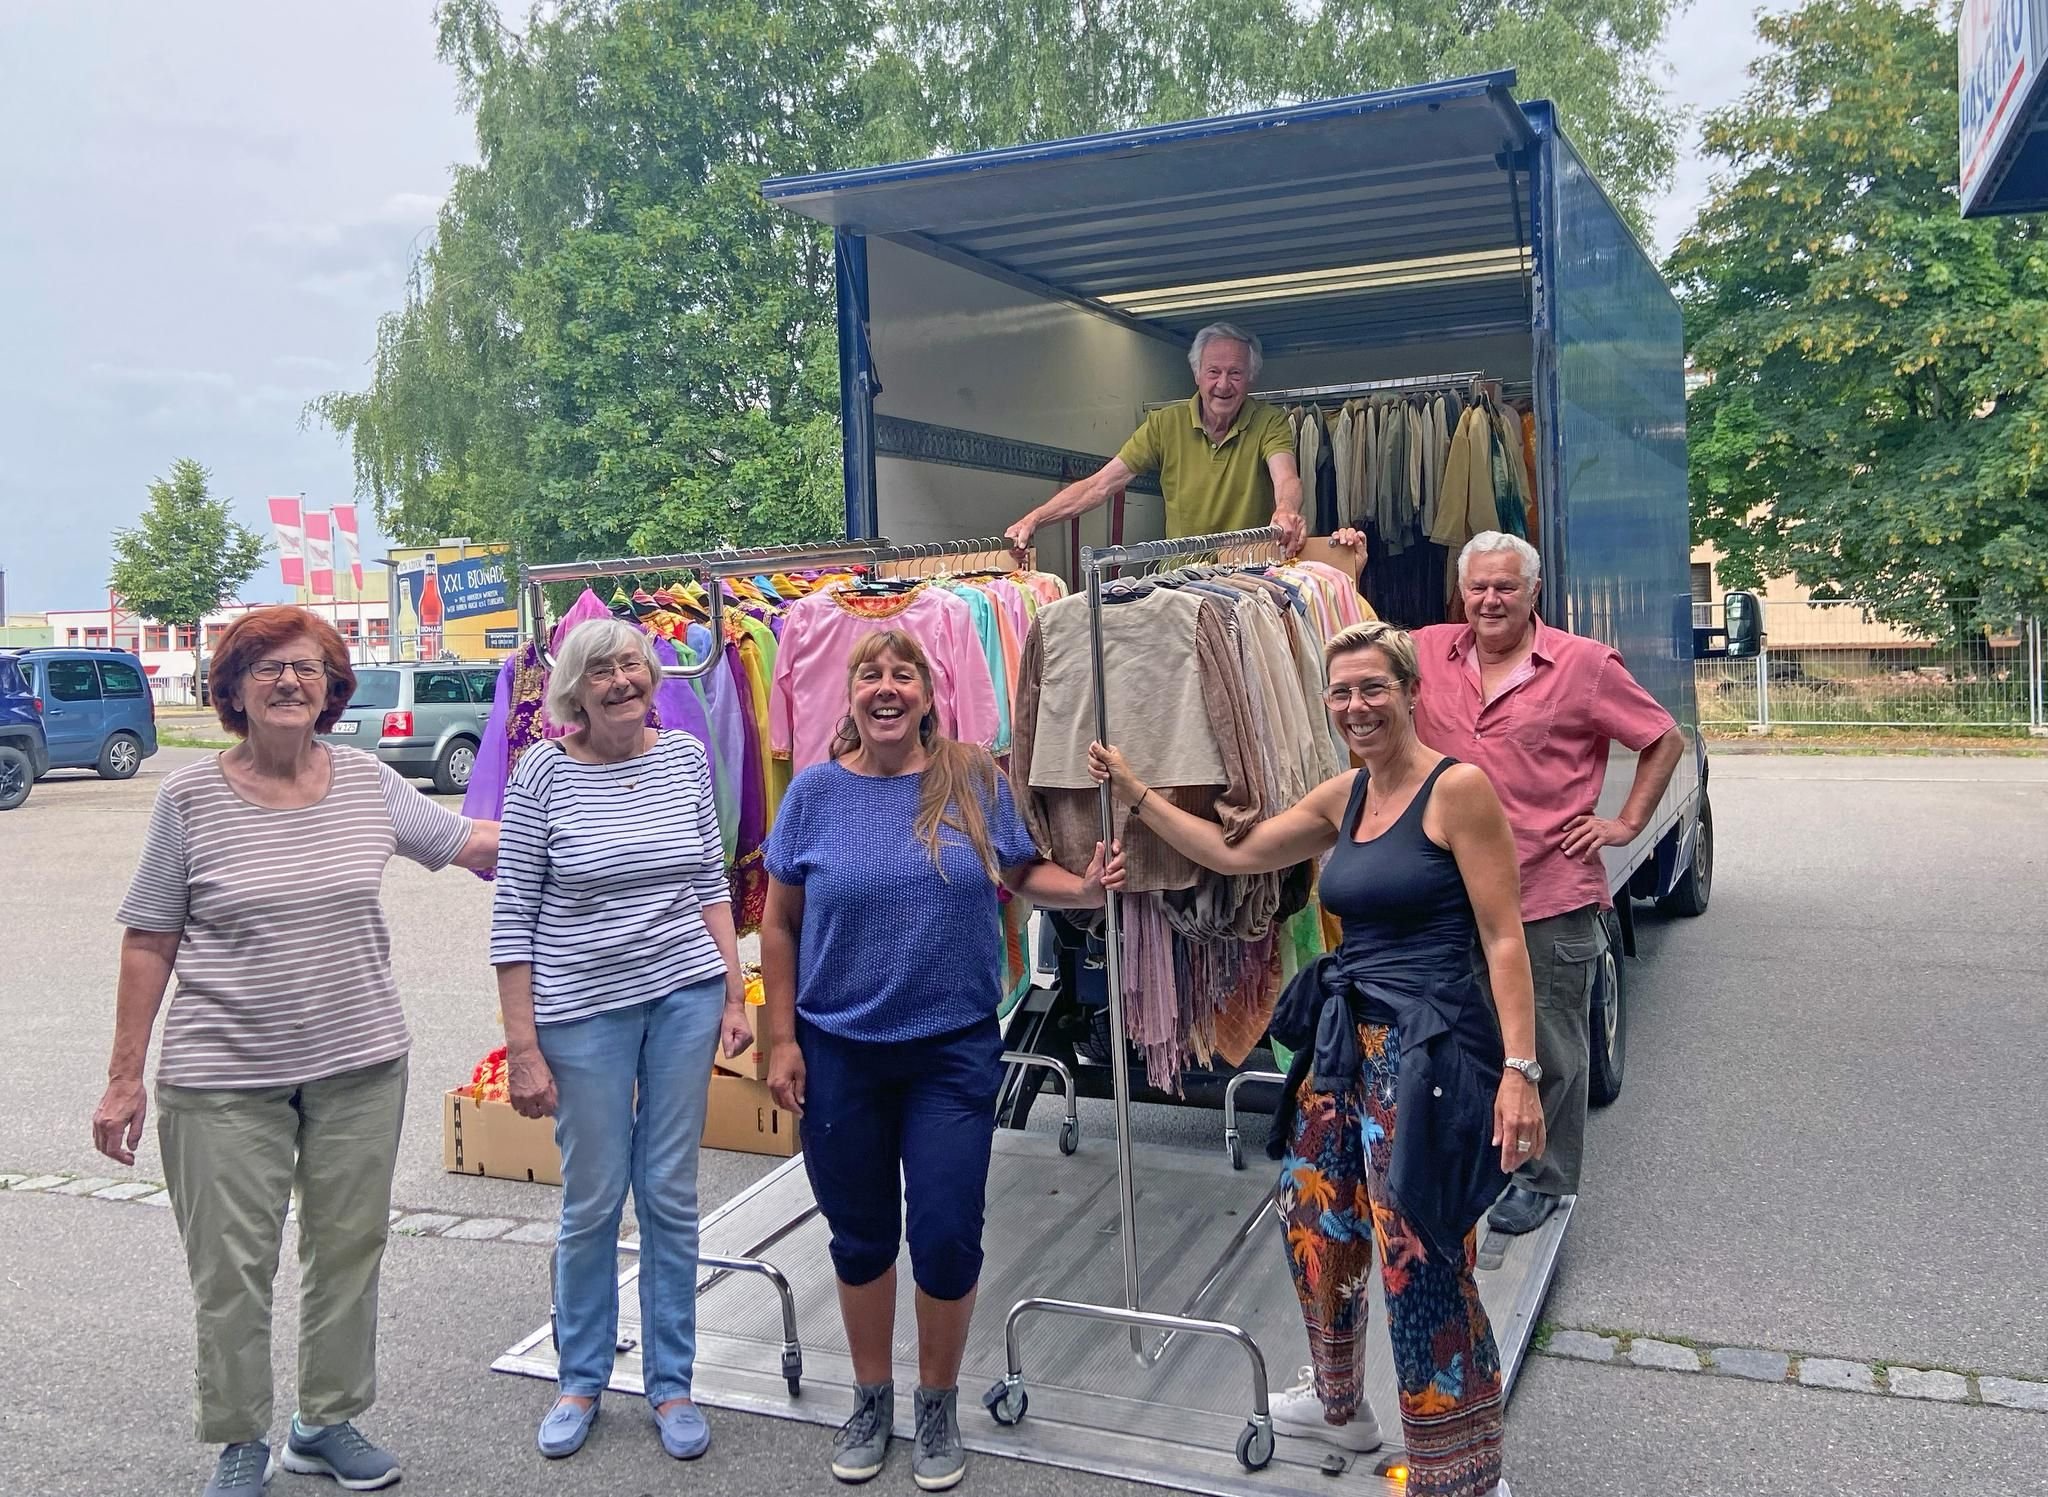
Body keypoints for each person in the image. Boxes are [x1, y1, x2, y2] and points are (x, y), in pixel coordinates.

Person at [1088, 619, 1540, 1497]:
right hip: (1345, 1041)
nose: (1356, 705)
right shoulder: (1345, 797)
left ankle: (1464, 1469)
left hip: (1431, 1048)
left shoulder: (1459, 791)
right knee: (1317, 1221)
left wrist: (1520, 1074)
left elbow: (1505, 939)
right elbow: (1232, 852)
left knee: (1419, 1246)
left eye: (1373, 687)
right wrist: (1139, 793)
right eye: (1341, 691)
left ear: (1411, 691)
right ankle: (1342, 1404)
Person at [90, 605, 498, 1497]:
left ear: (331, 688)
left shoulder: (365, 779)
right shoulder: (188, 797)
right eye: (266, 667)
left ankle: (325, 1420)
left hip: (360, 1066)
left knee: (348, 1248)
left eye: (307, 667)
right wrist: (124, 1078)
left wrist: (607, 821)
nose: (288, 681)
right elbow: (150, 935)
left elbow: (468, 844)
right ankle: (241, 1439)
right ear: (232, 688)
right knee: (232, 1270)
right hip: (223, 1079)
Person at [759, 629, 1123, 1493]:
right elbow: (778, 922)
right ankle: (870, 1395)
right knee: (860, 1236)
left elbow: (1025, 872)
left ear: (929, 693)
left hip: (952, 1050)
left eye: (904, 674)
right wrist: (780, 1038)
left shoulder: (973, 778)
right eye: (871, 675)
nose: (887, 689)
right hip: (838, 1050)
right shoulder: (812, 795)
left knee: (949, 1233)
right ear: (848, 696)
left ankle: (936, 1402)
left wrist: (1091, 888)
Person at [490, 616, 753, 1462]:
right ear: (575, 686)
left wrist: (732, 992)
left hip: (683, 993)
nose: (620, 682)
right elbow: (512, 917)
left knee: (671, 1193)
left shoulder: (683, 756)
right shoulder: (542, 772)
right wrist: (521, 1045)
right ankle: (580, 1376)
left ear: (653, 676)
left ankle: (672, 1381)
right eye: (600, 670)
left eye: (632, 665)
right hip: (583, 1010)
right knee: (594, 1197)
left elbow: (708, 878)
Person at [1413, 531, 1683, 1236]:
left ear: (1533, 592)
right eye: (1479, 586)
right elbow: (1348, 648)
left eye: (1506, 586)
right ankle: (1486, 1159)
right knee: (1467, 1037)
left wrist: (1623, 822)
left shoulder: (1583, 665)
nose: (1490, 599)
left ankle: (1544, 1180)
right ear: (1461, 591)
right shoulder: (1425, 653)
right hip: (1452, 894)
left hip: (1546, 889)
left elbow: (1662, 737)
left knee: (1551, 1047)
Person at [1003, 321, 1307, 555]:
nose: (1223, 384)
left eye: (1235, 373)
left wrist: (1285, 510)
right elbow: (1100, 485)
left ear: (1250, 377)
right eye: (1213, 371)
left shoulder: (1270, 421)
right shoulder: (1163, 424)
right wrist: (1037, 518)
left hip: (1249, 572)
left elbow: (1286, 479)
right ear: (1197, 374)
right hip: (1182, 577)